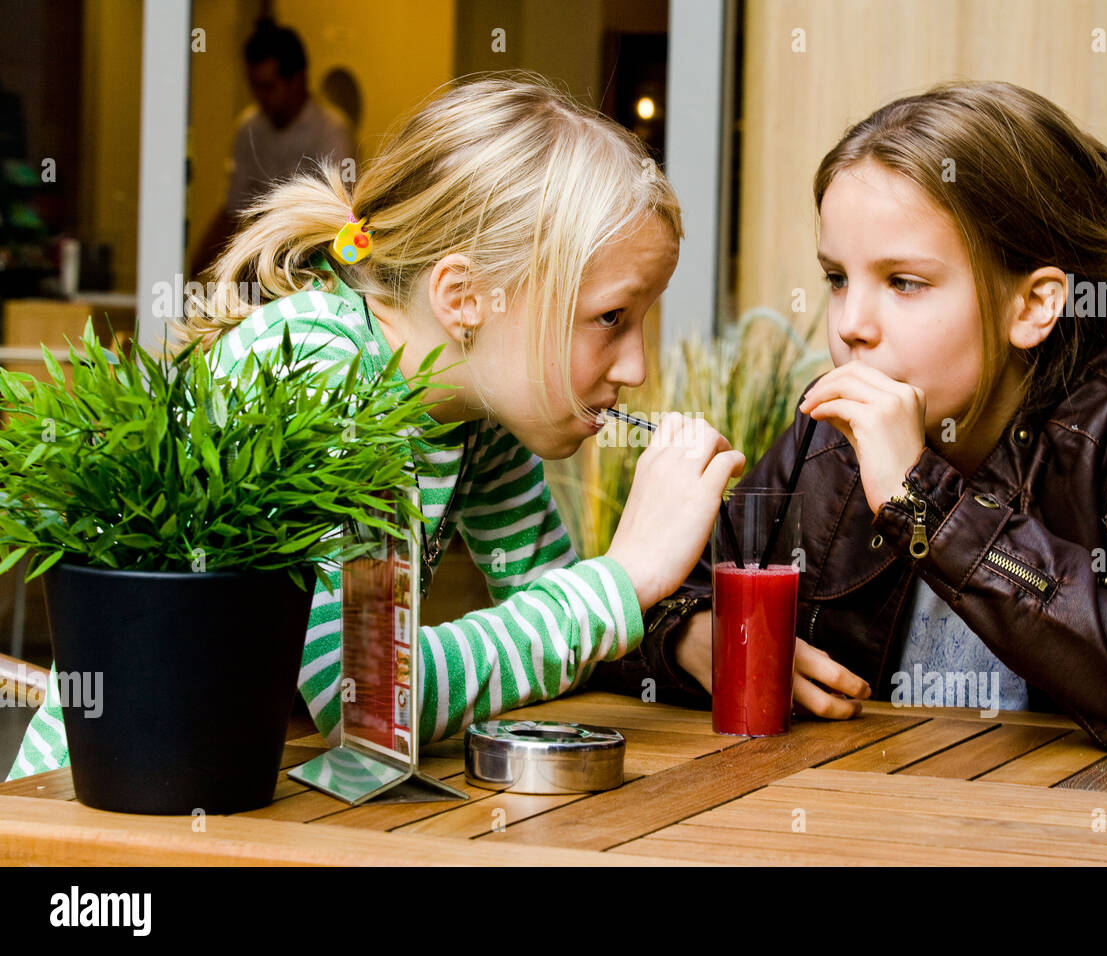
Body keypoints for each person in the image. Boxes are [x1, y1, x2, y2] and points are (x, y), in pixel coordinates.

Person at [7, 75, 745, 778]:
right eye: (611, 318)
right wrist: (623, 579)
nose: (637, 367)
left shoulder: (477, 408)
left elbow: (560, 621)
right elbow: (368, 700)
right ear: (464, 297)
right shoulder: (313, 370)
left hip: (263, 788)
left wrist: (677, 633)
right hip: (109, 807)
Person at [590, 81, 1107, 757]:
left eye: (904, 282)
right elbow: (626, 615)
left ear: (1032, 307)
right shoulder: (829, 437)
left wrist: (927, 503)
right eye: (837, 279)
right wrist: (694, 637)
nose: (850, 326)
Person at [189, 19, 355, 277]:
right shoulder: (249, 127)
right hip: (260, 265)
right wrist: (195, 265)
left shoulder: (332, 131)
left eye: (267, 86)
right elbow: (233, 210)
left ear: (298, 80)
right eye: (254, 86)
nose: (259, 96)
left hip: (314, 268)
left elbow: (341, 218)